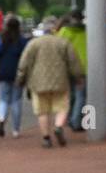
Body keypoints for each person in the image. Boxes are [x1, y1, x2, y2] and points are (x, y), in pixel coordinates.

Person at [16, 15, 83, 148]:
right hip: (60, 82)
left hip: (38, 83)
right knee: (62, 108)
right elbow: (73, 62)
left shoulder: (33, 44)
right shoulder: (63, 42)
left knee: (42, 111)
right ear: (55, 29)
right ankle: (58, 127)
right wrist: (78, 77)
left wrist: (20, 79)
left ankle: (46, 138)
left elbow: (24, 63)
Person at [0, 15, 29, 138]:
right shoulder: (22, 41)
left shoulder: (0, 39)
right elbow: (27, 57)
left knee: (3, 99)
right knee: (16, 101)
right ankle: (16, 130)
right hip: (18, 73)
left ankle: (2, 119)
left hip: (3, 72)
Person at [57, 8, 88, 131]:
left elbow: (59, 47)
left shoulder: (65, 31)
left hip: (68, 67)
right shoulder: (87, 31)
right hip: (84, 67)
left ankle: (70, 119)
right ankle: (77, 121)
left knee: (71, 95)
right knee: (81, 95)